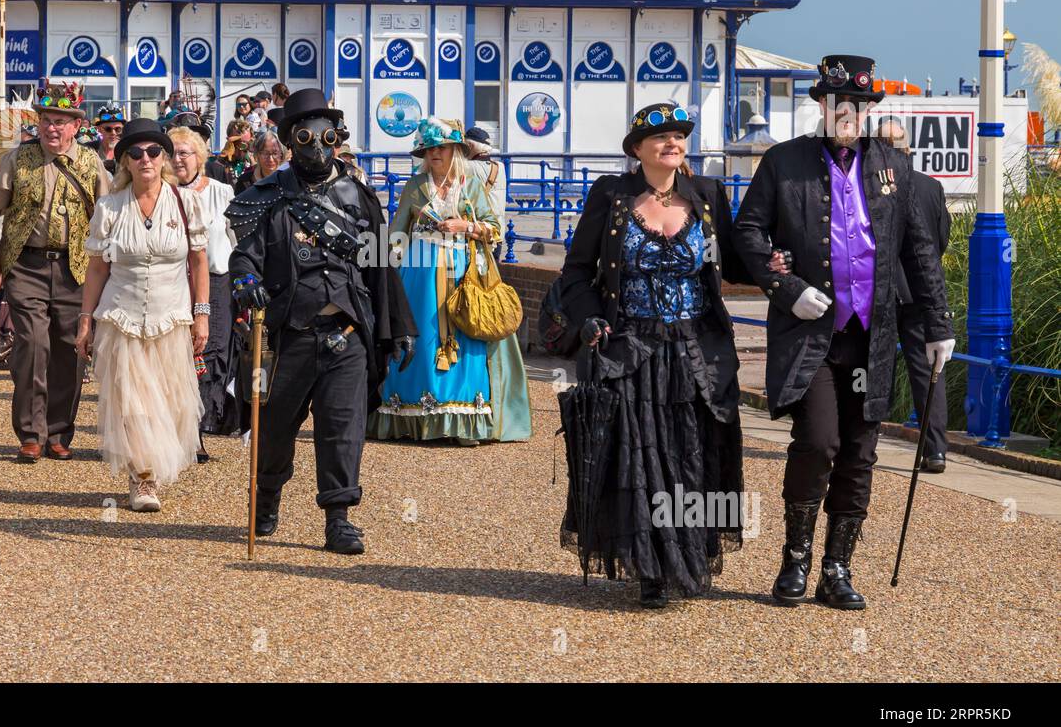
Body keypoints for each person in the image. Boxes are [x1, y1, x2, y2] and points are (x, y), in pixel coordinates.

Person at [734, 55, 955, 611]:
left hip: (872, 335)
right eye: (837, 105)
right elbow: (748, 233)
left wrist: (938, 325)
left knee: (860, 451)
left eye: (857, 105)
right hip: (814, 335)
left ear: (867, 111)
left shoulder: (893, 168)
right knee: (819, 441)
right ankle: (795, 559)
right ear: (822, 107)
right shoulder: (784, 164)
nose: (847, 114)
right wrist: (787, 290)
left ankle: (837, 568)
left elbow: (920, 249)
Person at [553, 101, 751, 609]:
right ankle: (650, 568)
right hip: (631, 347)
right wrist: (590, 319)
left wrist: (782, 263)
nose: (672, 142)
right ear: (637, 149)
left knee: (690, 455)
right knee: (641, 457)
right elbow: (575, 273)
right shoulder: (611, 196)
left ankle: (686, 557)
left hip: (694, 348)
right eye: (659, 136)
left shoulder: (707, 195)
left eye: (679, 135)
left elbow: (736, 260)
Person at [226, 87, 417, 554]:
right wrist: (245, 282)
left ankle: (339, 517)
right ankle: (266, 498)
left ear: (337, 139)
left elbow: (379, 264)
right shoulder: (265, 197)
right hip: (289, 335)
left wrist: (398, 327)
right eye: (305, 136)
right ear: (291, 140)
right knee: (273, 429)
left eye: (326, 136)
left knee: (342, 427)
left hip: (346, 333)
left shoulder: (359, 195)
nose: (317, 146)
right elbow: (243, 257)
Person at [369, 117, 530, 446]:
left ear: (455, 150)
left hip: (464, 271)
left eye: (440, 147)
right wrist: (384, 264)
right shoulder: (415, 187)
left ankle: (465, 419)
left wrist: (465, 227)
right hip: (421, 272)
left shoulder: (470, 186)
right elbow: (399, 231)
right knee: (421, 338)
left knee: (469, 333)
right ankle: (414, 417)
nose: (434, 154)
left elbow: (494, 228)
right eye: (429, 149)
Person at [77, 118, 210, 511]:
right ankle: (142, 479)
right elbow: (97, 267)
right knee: (131, 401)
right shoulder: (110, 207)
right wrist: (86, 319)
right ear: (125, 163)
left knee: (167, 403)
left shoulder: (187, 203)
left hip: (172, 318)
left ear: (164, 158)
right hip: (122, 317)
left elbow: (200, 262)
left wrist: (202, 314)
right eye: (136, 153)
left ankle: (151, 469)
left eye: (154, 151)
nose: (145, 158)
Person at [0, 80, 109, 462]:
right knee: (33, 346)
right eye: (47, 120)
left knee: (72, 352)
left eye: (61, 122)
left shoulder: (90, 162)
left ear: (76, 126)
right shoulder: (18, 159)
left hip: (76, 268)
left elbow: (107, 212)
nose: (53, 128)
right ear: (38, 123)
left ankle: (58, 432)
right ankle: (31, 433)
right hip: (26, 265)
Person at [874, 116, 951, 473]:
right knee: (926, 375)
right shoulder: (930, 187)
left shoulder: (865, 187)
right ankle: (935, 450)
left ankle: (865, 444)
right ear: (910, 151)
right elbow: (938, 241)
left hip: (879, 293)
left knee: (873, 370)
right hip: (919, 293)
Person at [170, 125, 240, 447]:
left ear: (199, 157)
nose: (177, 159)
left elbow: (237, 242)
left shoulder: (222, 192)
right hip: (173, 282)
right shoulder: (163, 193)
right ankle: (180, 429)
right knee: (176, 355)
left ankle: (197, 429)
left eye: (184, 152)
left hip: (216, 282)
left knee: (208, 354)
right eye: (171, 153)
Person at [205, 118, 253, 187]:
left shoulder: (253, 164)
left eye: (245, 144)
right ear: (228, 140)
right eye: (236, 142)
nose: (241, 149)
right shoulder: (213, 164)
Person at [90, 102, 126, 174]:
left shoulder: (128, 151)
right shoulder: (89, 149)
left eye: (118, 129)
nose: (113, 133)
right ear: (99, 129)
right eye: (108, 129)